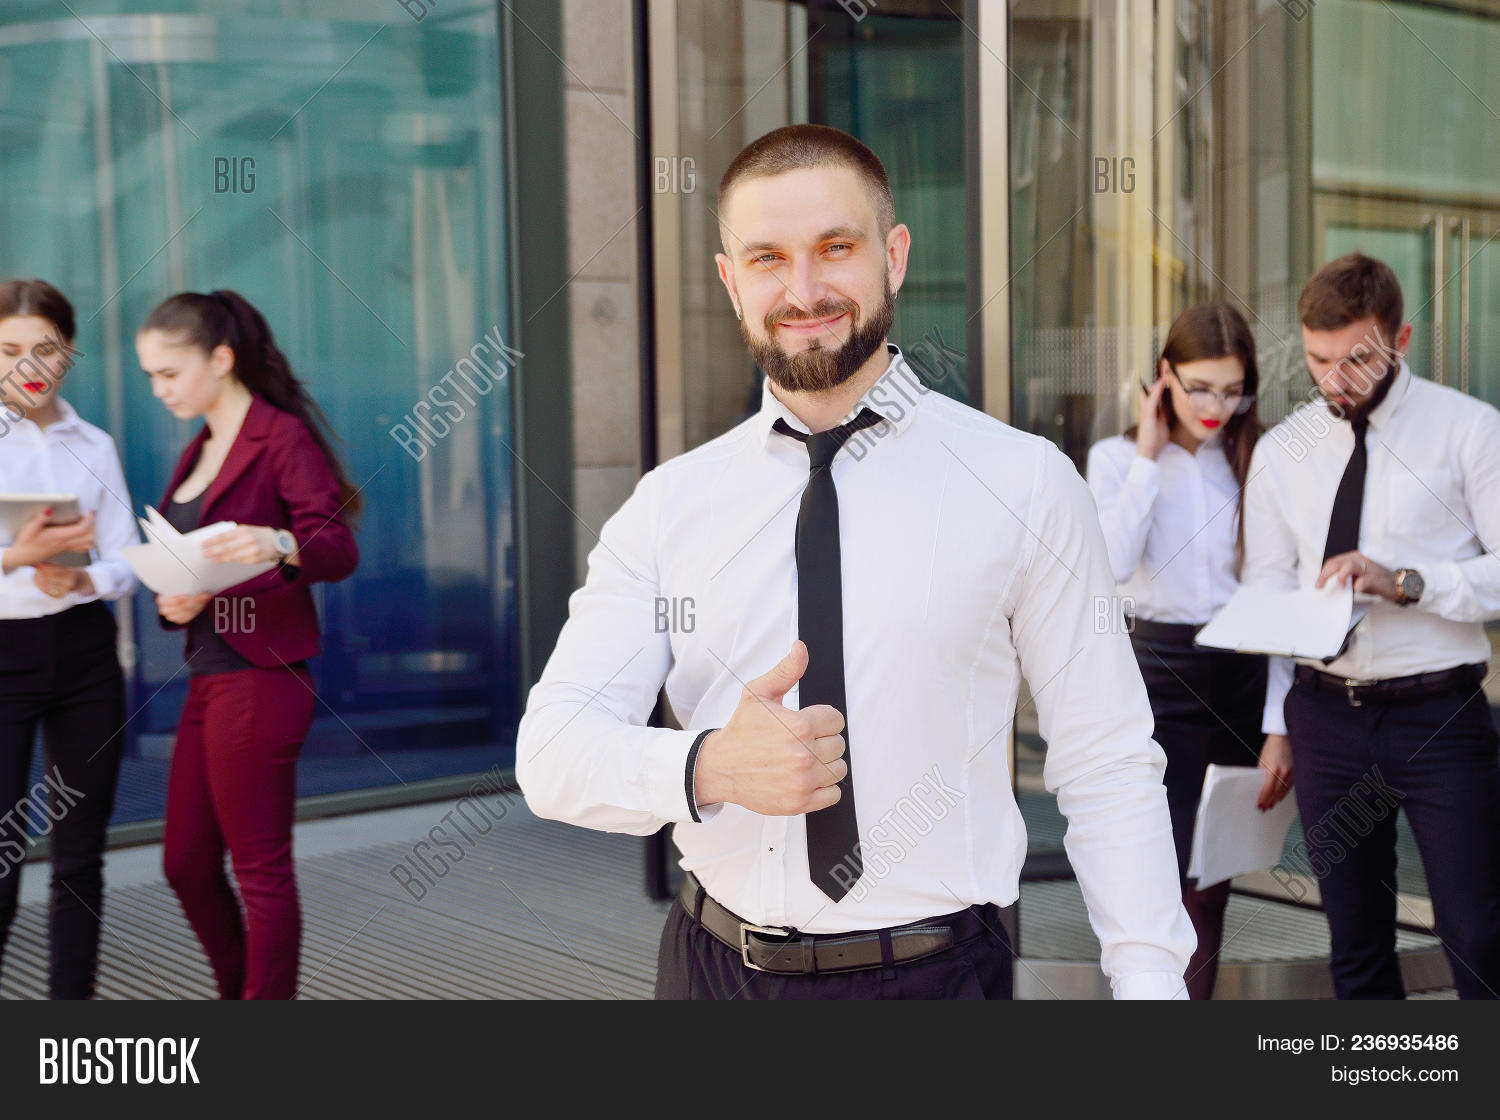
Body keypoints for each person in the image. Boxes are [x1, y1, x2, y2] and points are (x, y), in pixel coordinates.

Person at [516, 124, 1194, 999]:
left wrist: (1149, 983)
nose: (803, 289)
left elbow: (1106, 758)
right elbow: (552, 752)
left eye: (836, 247)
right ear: (731, 281)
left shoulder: (1023, 484)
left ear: (895, 255)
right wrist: (709, 766)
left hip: (934, 980)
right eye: (768, 258)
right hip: (712, 973)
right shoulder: (668, 506)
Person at [1243, 253, 1500, 999]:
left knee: (1477, 932)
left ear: (1401, 338)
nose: (1336, 380)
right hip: (1325, 719)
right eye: (1319, 360)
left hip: (1438, 718)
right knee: (1353, 940)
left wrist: (1408, 582)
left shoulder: (1469, 431)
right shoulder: (1281, 451)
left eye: (1357, 359)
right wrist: (1277, 725)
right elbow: (1269, 593)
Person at [137, 290, 359, 999]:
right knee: (185, 864)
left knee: (259, 872)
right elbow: (198, 569)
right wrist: (180, 599)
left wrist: (282, 542)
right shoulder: (198, 448)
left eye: (169, 372)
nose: (159, 388)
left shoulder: (278, 436)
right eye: (150, 375)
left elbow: (337, 547)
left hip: (264, 678)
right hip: (210, 675)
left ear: (221, 359)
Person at [1086, 303, 1268, 999]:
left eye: (1231, 390)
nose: (1216, 406)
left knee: (1211, 879)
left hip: (1241, 673)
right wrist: (1148, 458)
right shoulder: (1115, 459)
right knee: (1155, 879)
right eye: (1198, 388)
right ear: (1163, 378)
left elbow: (1272, 582)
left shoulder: (1256, 460)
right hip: (1158, 674)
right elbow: (1110, 561)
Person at [0, 278, 138, 998]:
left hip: (84, 653)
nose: (28, 364)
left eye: (45, 349)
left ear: (68, 353)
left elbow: (126, 560)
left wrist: (82, 579)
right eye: (9, 349)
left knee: (81, 853)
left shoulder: (96, 444)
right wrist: (15, 560)